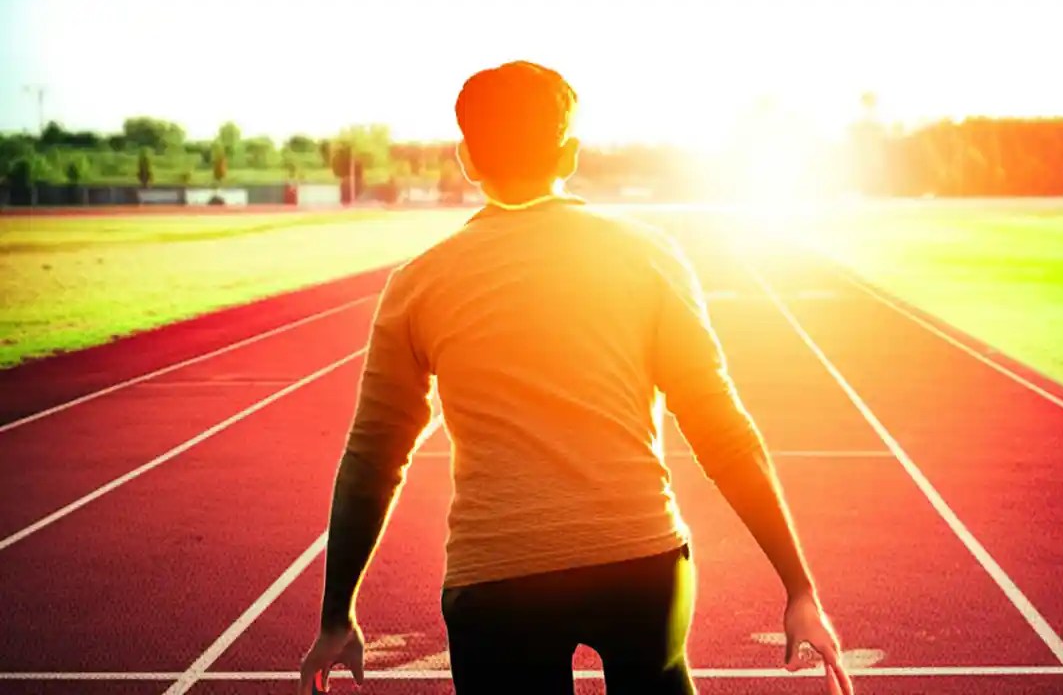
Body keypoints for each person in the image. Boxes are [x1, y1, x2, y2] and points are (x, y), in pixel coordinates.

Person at [297, 61, 853, 695]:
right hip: (639, 559)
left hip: (496, 576)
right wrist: (799, 588)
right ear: (571, 154)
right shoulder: (649, 255)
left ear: (467, 159)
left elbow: (373, 459)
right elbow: (720, 426)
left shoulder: (416, 285)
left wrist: (336, 614)